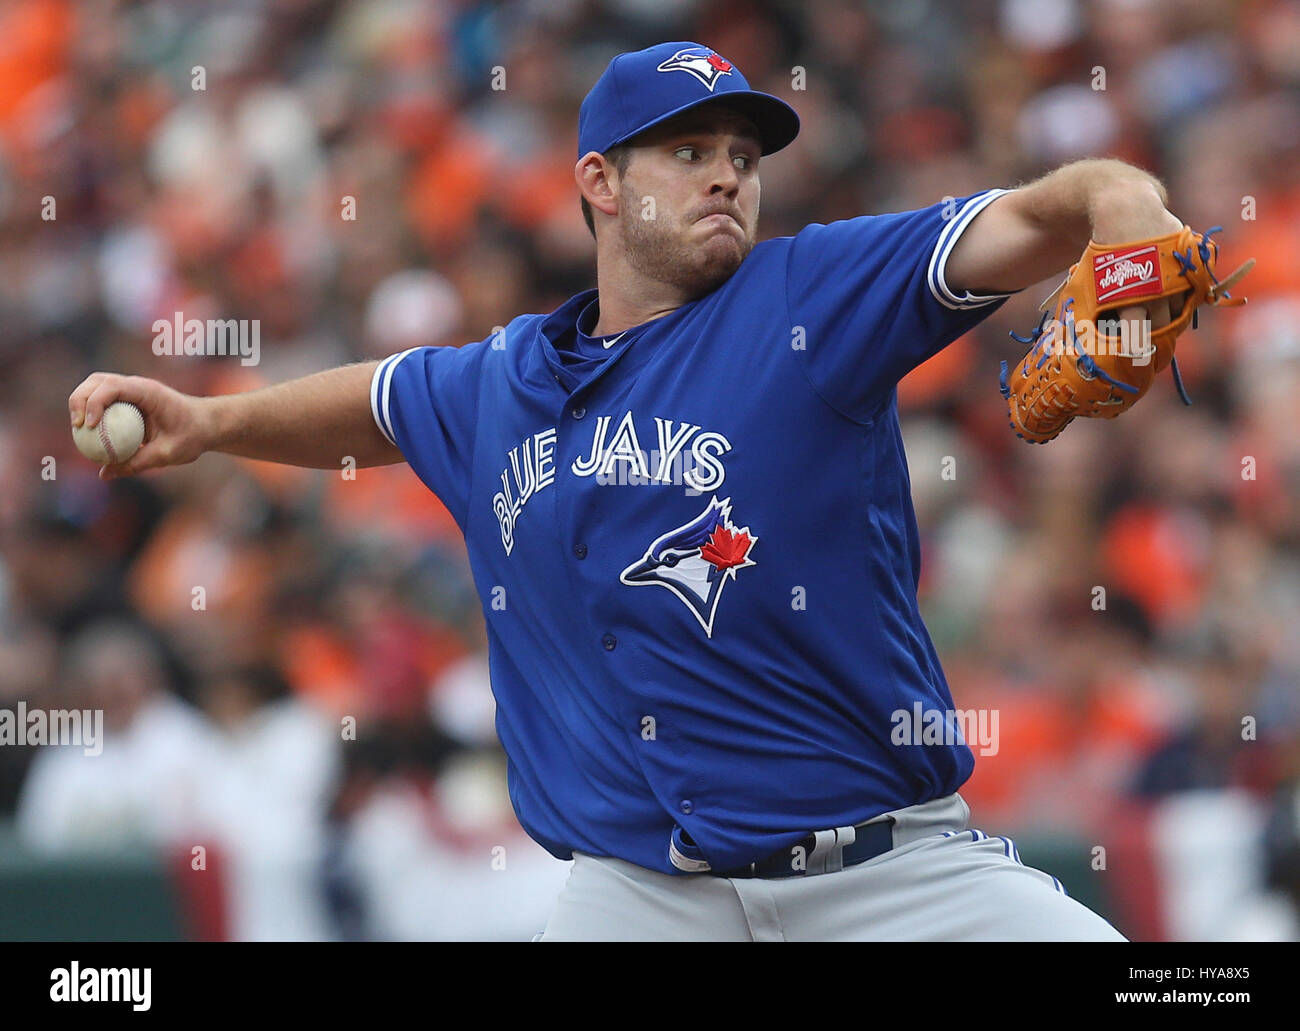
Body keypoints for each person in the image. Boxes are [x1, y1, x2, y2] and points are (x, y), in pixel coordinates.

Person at [70, 41, 1186, 941]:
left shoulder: (808, 295)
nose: (725, 177)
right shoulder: (500, 382)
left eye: (742, 158)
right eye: (688, 150)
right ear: (598, 182)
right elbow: (379, 402)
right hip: (639, 897)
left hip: (884, 876)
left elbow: (1035, 217)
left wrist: (1117, 197)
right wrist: (210, 423)